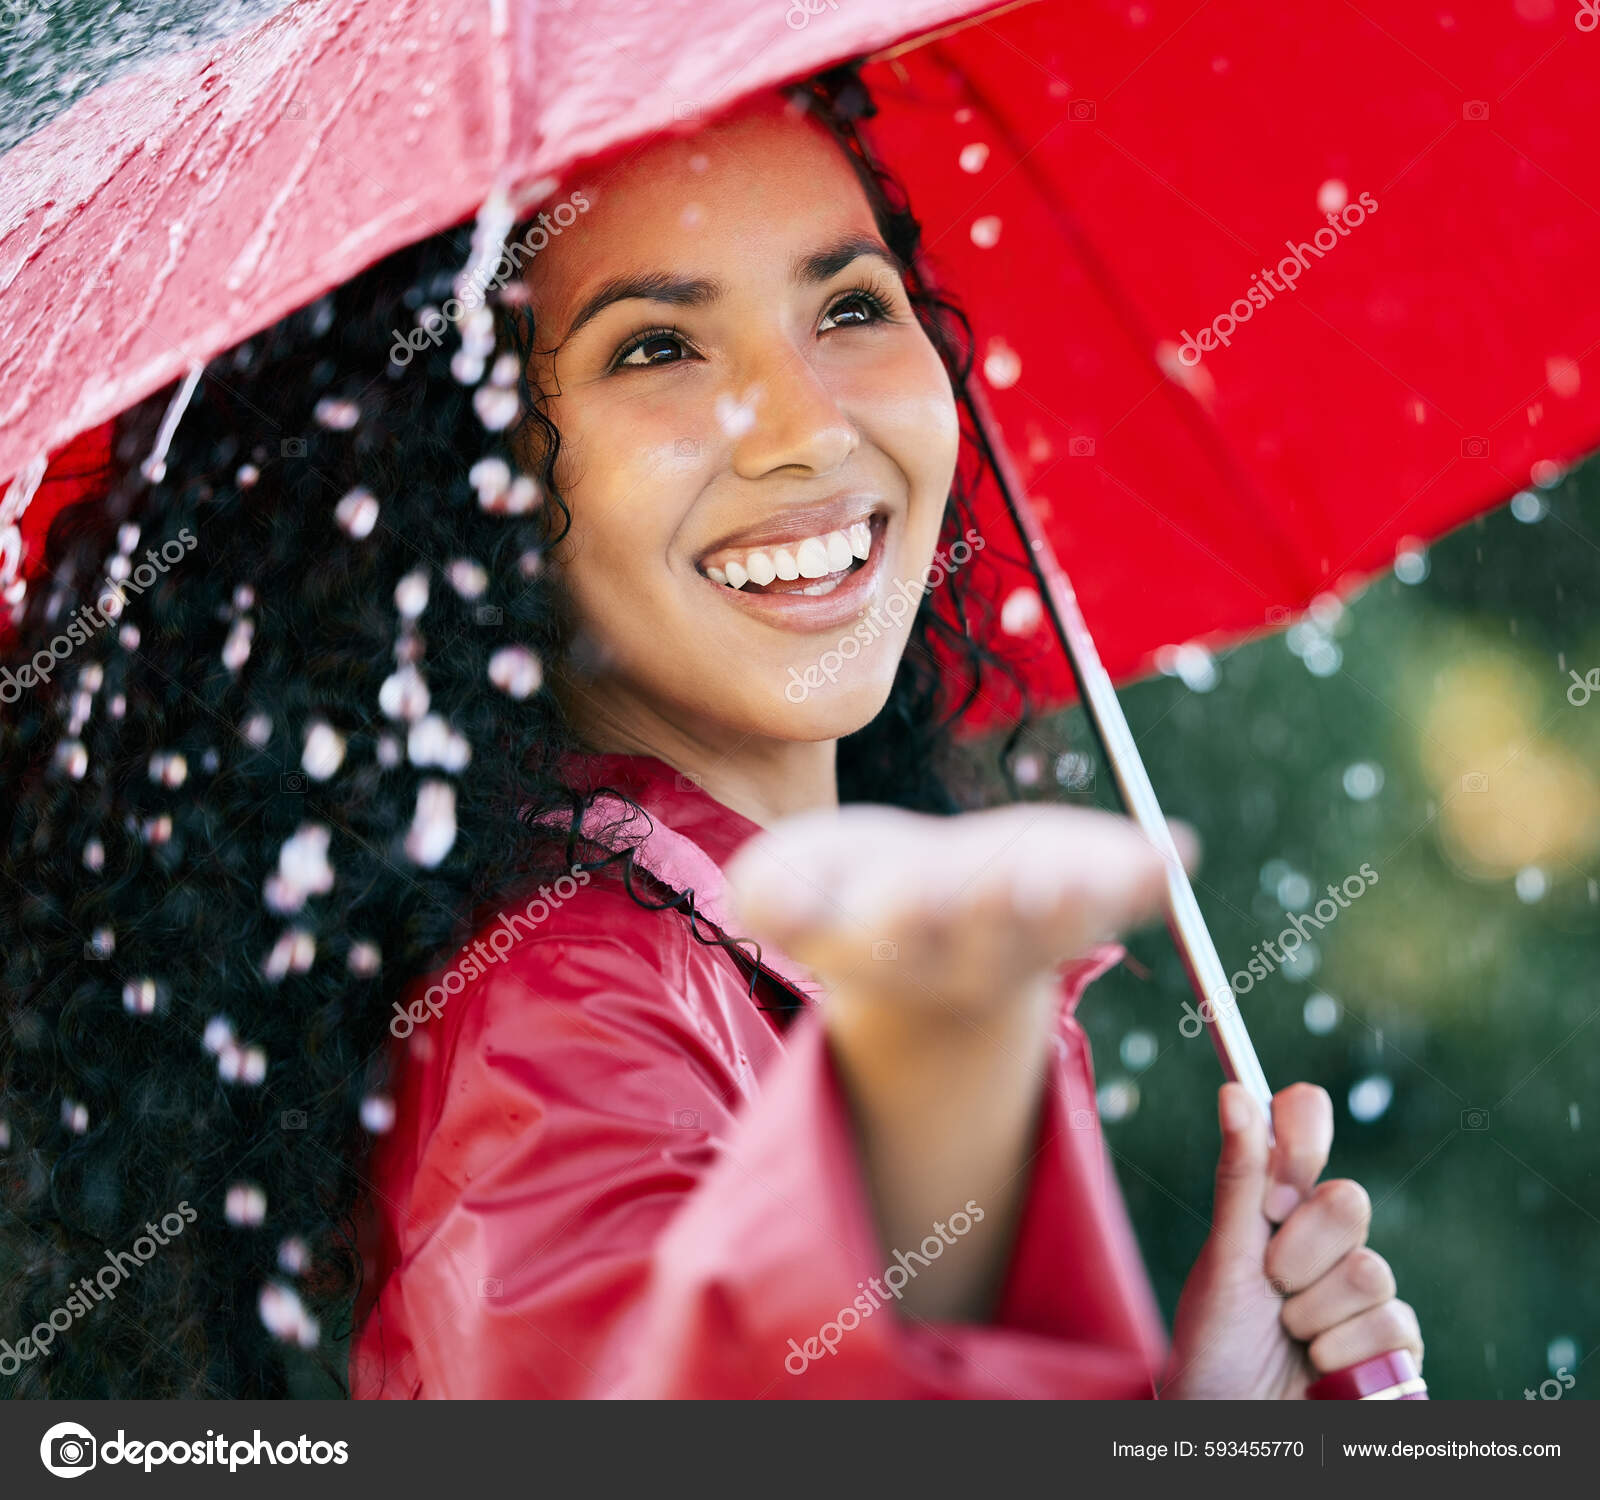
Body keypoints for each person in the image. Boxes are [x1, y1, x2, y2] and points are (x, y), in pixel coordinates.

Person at [0, 71, 1420, 1400]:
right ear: (464, 488)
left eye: (852, 308)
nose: (802, 427)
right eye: (658, 346)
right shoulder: (560, 1020)